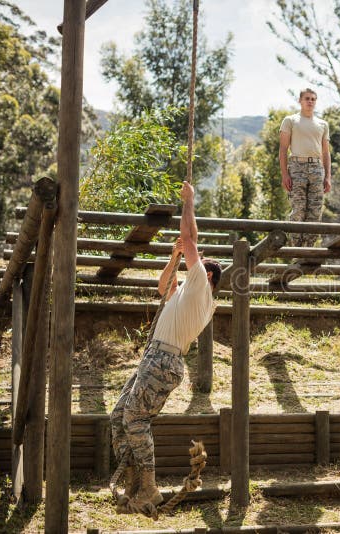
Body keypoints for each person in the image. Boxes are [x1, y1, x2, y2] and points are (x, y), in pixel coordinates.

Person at [110, 181, 221, 513]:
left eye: (199, 262)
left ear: (208, 275)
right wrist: (174, 256)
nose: (193, 262)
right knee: (119, 416)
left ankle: (149, 487)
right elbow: (163, 287)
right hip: (155, 358)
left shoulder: (201, 290)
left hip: (164, 360)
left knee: (135, 418)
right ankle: (133, 483)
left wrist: (189, 201)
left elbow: (190, 238)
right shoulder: (187, 292)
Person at [279, 88, 331, 247]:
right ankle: (296, 248)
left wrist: (328, 177)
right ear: (300, 101)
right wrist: (285, 175)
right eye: (307, 98)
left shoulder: (323, 124)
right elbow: (283, 149)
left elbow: (326, 152)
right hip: (296, 167)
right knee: (298, 209)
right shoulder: (290, 120)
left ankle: (308, 250)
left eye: (313, 99)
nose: (310, 101)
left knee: (315, 211)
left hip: (316, 168)